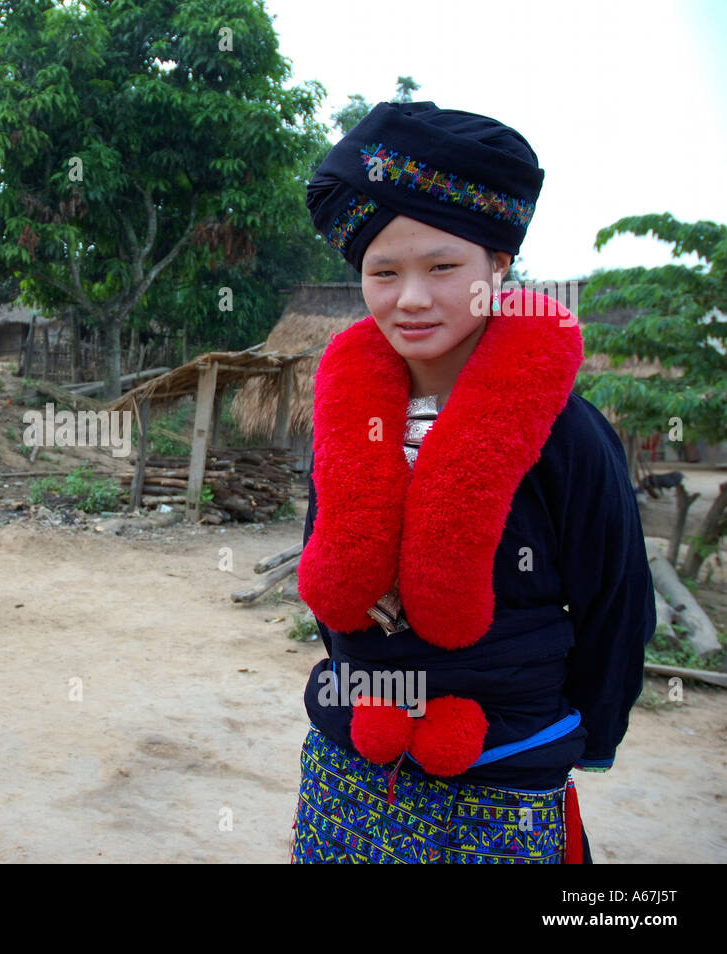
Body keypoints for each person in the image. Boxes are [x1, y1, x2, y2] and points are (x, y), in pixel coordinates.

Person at [288, 101, 656, 864]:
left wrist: (595, 730)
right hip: (352, 758)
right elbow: (324, 556)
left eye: (443, 268)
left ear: (499, 268)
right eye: (383, 272)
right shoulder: (346, 414)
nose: (411, 298)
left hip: (507, 770)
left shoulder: (568, 435)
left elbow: (615, 598)